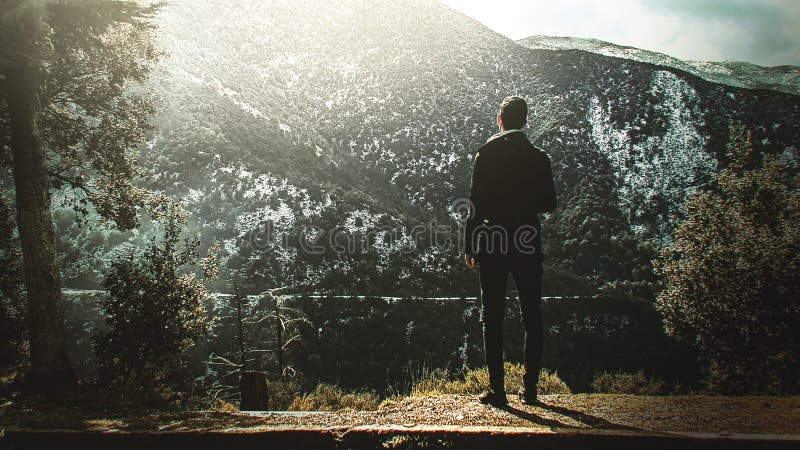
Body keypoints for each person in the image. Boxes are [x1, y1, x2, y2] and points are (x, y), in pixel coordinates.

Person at [464, 96, 557, 407]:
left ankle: (497, 390)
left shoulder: (486, 153)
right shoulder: (539, 157)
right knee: (532, 314)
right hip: (527, 239)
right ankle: (530, 390)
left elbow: (475, 203)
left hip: (493, 240)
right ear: (525, 122)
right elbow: (549, 204)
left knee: (492, 315)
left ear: (500, 120)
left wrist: (470, 244)